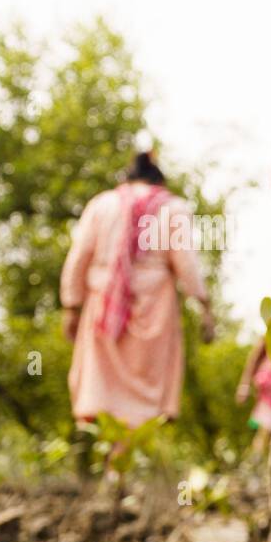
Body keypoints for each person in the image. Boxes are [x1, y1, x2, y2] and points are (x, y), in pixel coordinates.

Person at [60, 151, 215, 431]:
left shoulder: (102, 204)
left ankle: (112, 463)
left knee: (101, 390)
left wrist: (71, 306)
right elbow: (186, 263)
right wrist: (204, 305)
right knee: (142, 397)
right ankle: (123, 459)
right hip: (154, 310)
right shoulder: (173, 208)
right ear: (159, 181)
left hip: (103, 309)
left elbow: (78, 257)